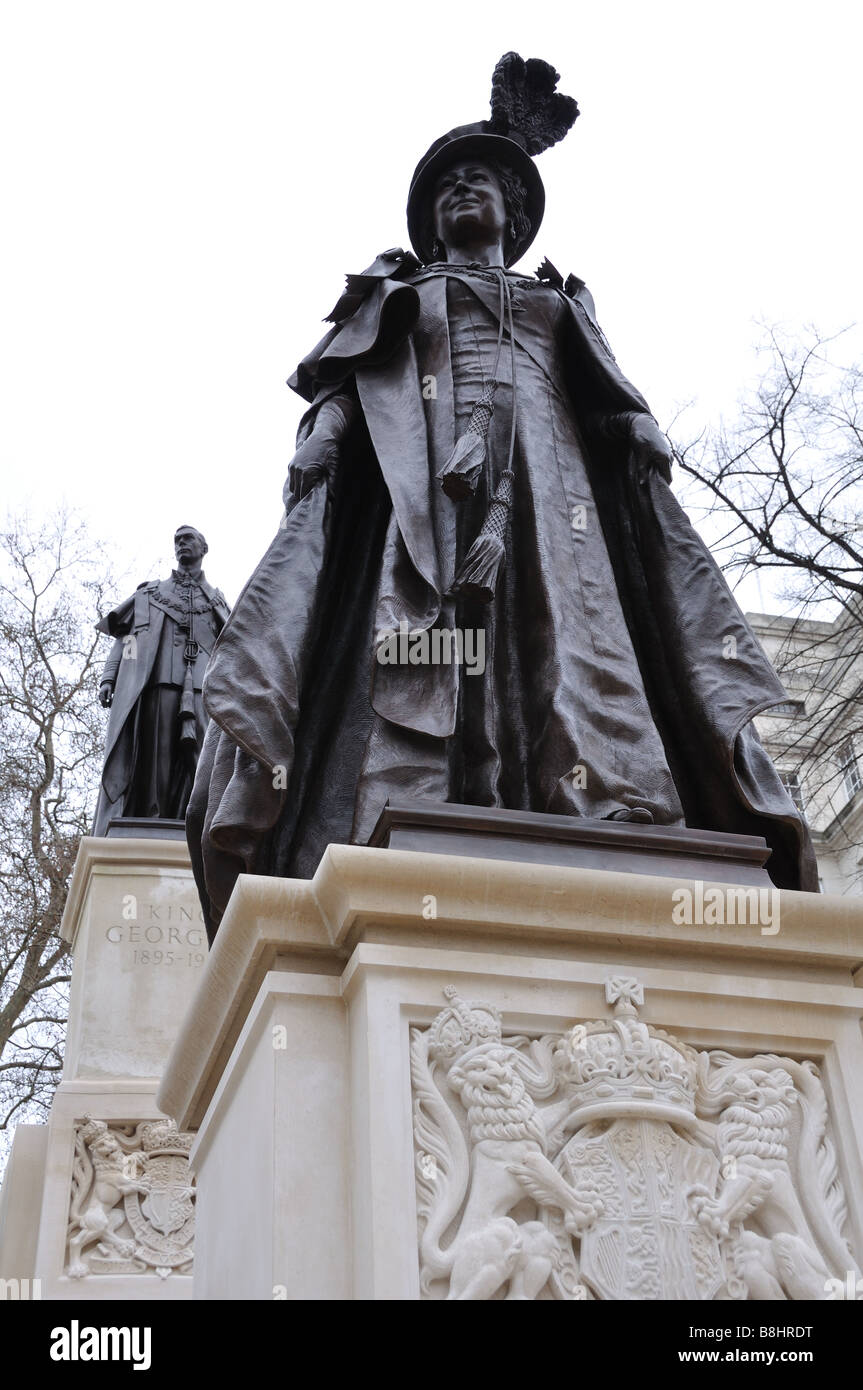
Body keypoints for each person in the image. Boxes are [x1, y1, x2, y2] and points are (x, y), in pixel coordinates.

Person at [187, 53, 817, 941]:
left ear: (513, 212)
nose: (461, 196)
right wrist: (323, 438)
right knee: (428, 632)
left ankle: (595, 792)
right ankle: (429, 794)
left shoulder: (555, 302)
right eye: (446, 188)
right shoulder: (402, 291)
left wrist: (635, 427)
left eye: (478, 184)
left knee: (568, 627)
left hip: (556, 492)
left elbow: (605, 394)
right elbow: (344, 383)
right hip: (431, 484)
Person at [93, 525, 230, 834]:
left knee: (204, 759)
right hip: (160, 685)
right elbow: (124, 638)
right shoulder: (151, 593)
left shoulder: (218, 602)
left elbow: (239, 649)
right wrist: (109, 678)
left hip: (205, 691)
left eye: (188, 539)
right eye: (177, 540)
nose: (181, 544)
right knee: (159, 758)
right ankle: (154, 820)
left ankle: (200, 823)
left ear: (203, 548)